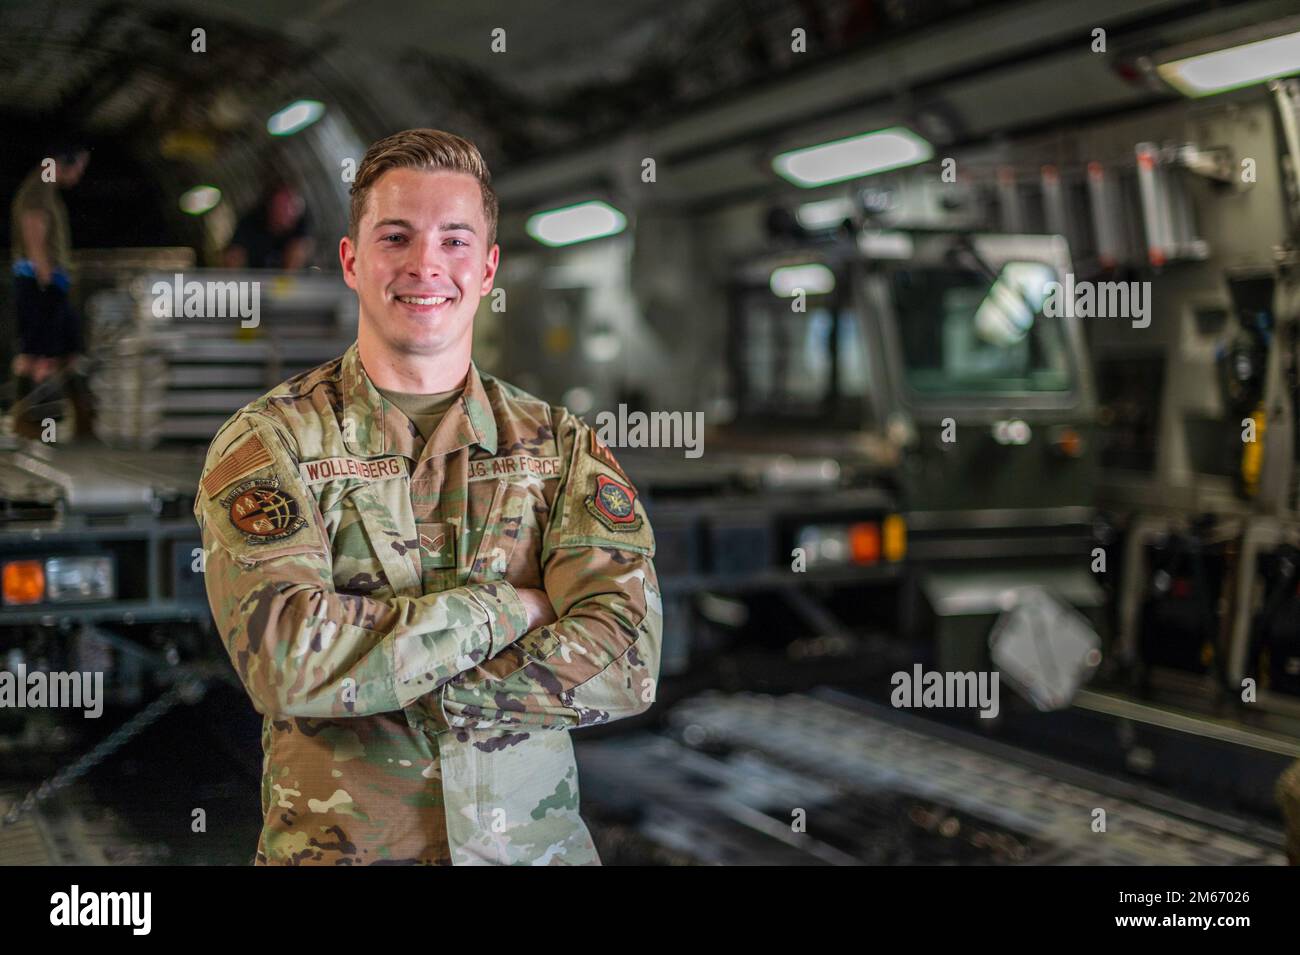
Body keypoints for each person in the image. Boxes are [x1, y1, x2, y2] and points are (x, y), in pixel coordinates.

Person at [193, 128, 661, 866]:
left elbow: (628, 659)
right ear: (351, 260)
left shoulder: (559, 446)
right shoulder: (270, 444)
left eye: (453, 240)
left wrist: (417, 691)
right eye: (396, 237)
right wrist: (514, 608)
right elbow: (287, 660)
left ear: (487, 267)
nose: (424, 265)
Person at [8, 146, 94, 440]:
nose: (79, 174)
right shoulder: (39, 189)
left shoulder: (44, 188)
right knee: (35, 351)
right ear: (62, 162)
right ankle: (24, 418)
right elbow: (34, 227)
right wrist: (46, 280)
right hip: (39, 282)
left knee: (68, 349)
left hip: (47, 280)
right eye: (78, 166)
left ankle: (83, 418)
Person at [222, 180, 314, 270]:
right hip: (255, 276)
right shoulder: (250, 221)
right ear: (270, 205)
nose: (288, 212)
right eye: (282, 206)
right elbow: (234, 254)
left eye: (293, 207)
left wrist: (286, 280)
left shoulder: (302, 223)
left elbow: (300, 250)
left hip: (286, 280)